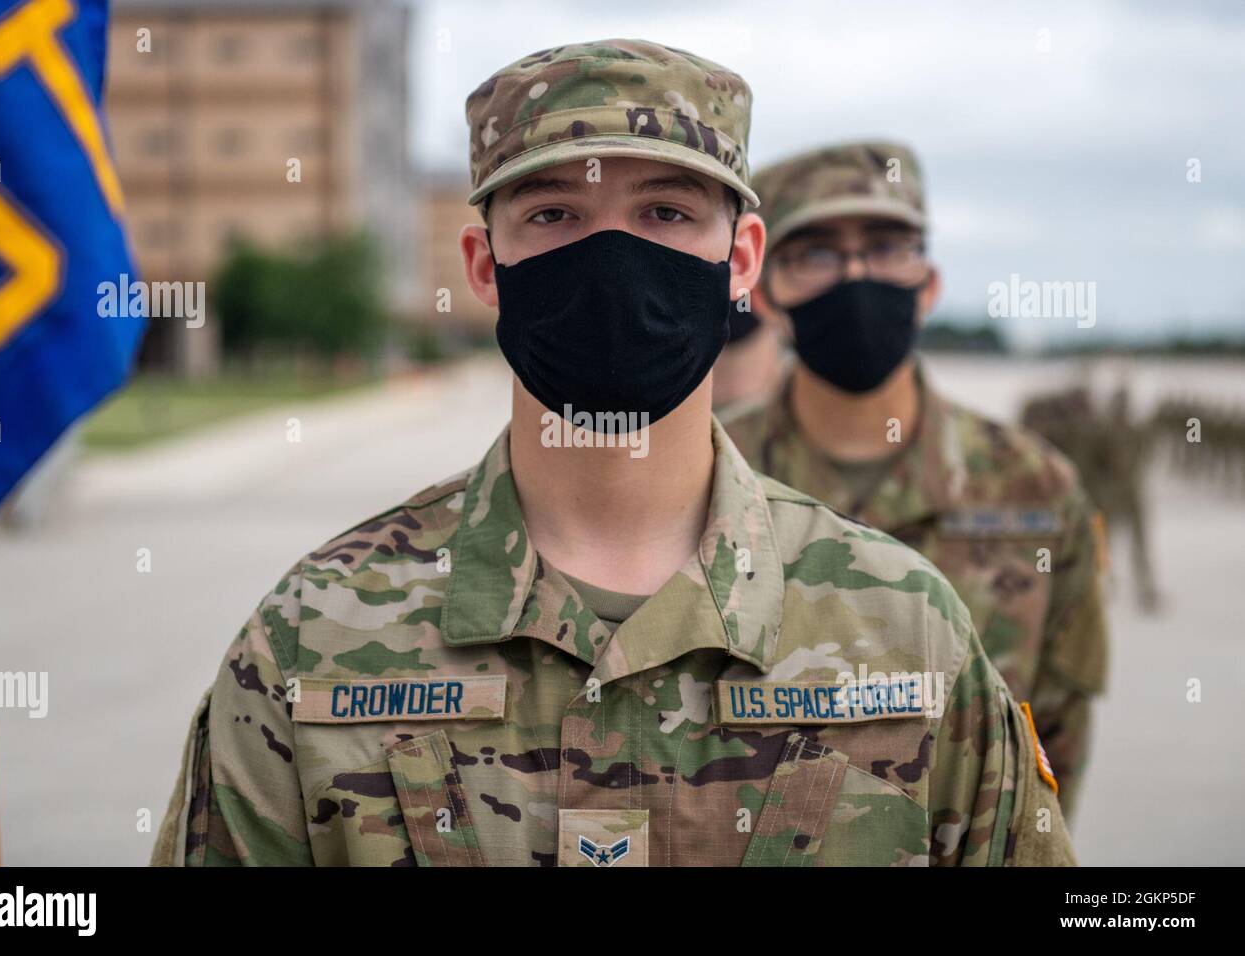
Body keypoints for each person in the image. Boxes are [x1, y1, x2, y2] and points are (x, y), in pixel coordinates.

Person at [153, 44, 1073, 867]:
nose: (612, 261)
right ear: (483, 266)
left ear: (742, 259)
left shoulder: (907, 634)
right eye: (554, 214)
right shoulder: (313, 635)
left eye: (667, 212)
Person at [722, 141, 1109, 819]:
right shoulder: (706, 477)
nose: (855, 275)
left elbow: (1054, 745)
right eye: (815, 253)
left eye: (885, 246)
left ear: (928, 284)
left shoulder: (1037, 490)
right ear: (765, 295)